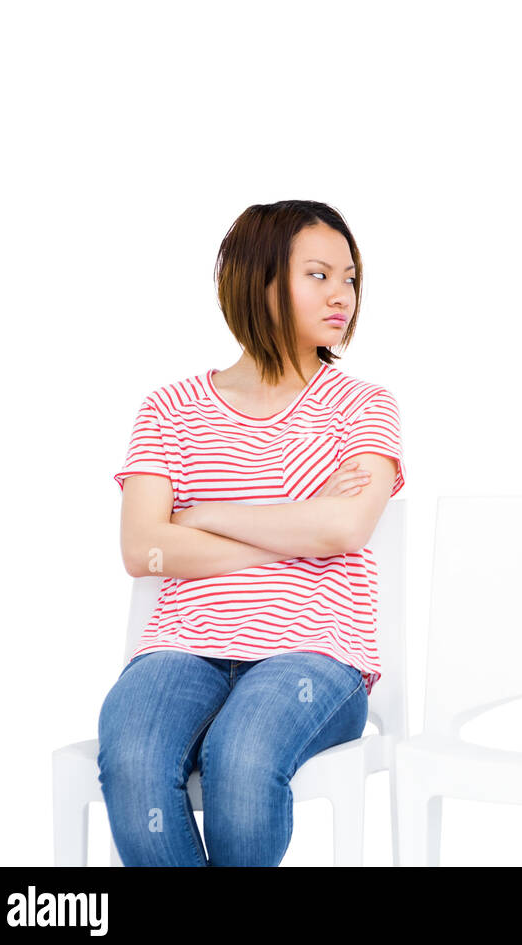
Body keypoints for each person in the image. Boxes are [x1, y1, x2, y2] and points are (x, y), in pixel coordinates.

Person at [98, 200, 405, 866]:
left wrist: (205, 515)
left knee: (240, 755)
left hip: (317, 655)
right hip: (184, 645)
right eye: (319, 275)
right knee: (132, 754)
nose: (343, 296)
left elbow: (346, 527)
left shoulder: (363, 405)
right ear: (258, 282)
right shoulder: (170, 409)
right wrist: (299, 523)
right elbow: (142, 548)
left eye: (350, 277)